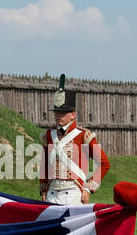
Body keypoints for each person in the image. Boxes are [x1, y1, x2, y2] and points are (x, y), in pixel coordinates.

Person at [39, 75, 110, 205]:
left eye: (62, 112)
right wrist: (43, 188)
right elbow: (44, 164)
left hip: (73, 193)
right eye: (56, 111)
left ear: (73, 114)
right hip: (51, 192)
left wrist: (88, 189)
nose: (58, 115)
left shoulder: (84, 136)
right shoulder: (49, 135)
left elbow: (104, 163)